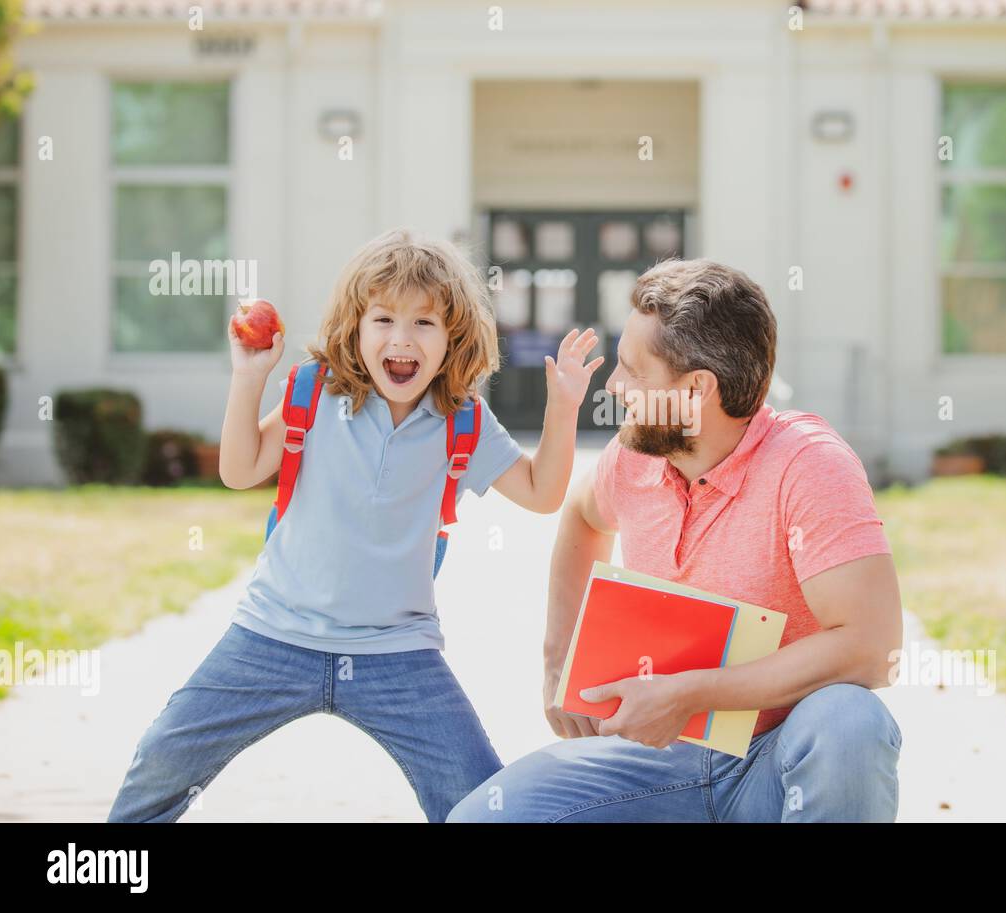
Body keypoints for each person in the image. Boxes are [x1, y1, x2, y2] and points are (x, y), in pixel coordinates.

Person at [107, 229, 603, 822]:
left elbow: (542, 493)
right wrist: (248, 377)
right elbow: (240, 471)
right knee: (163, 759)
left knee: (476, 794)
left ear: (454, 337)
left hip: (397, 652)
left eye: (424, 324)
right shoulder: (314, 393)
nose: (401, 339)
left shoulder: (461, 417)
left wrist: (564, 409)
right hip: (273, 636)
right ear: (355, 327)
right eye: (383, 319)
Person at [449, 258, 903, 823]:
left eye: (632, 371)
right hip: (656, 758)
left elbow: (874, 646)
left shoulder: (810, 466)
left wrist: (691, 693)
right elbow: (583, 517)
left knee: (850, 720)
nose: (613, 387)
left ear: (696, 389)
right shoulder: (635, 456)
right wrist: (558, 659)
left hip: (775, 763)